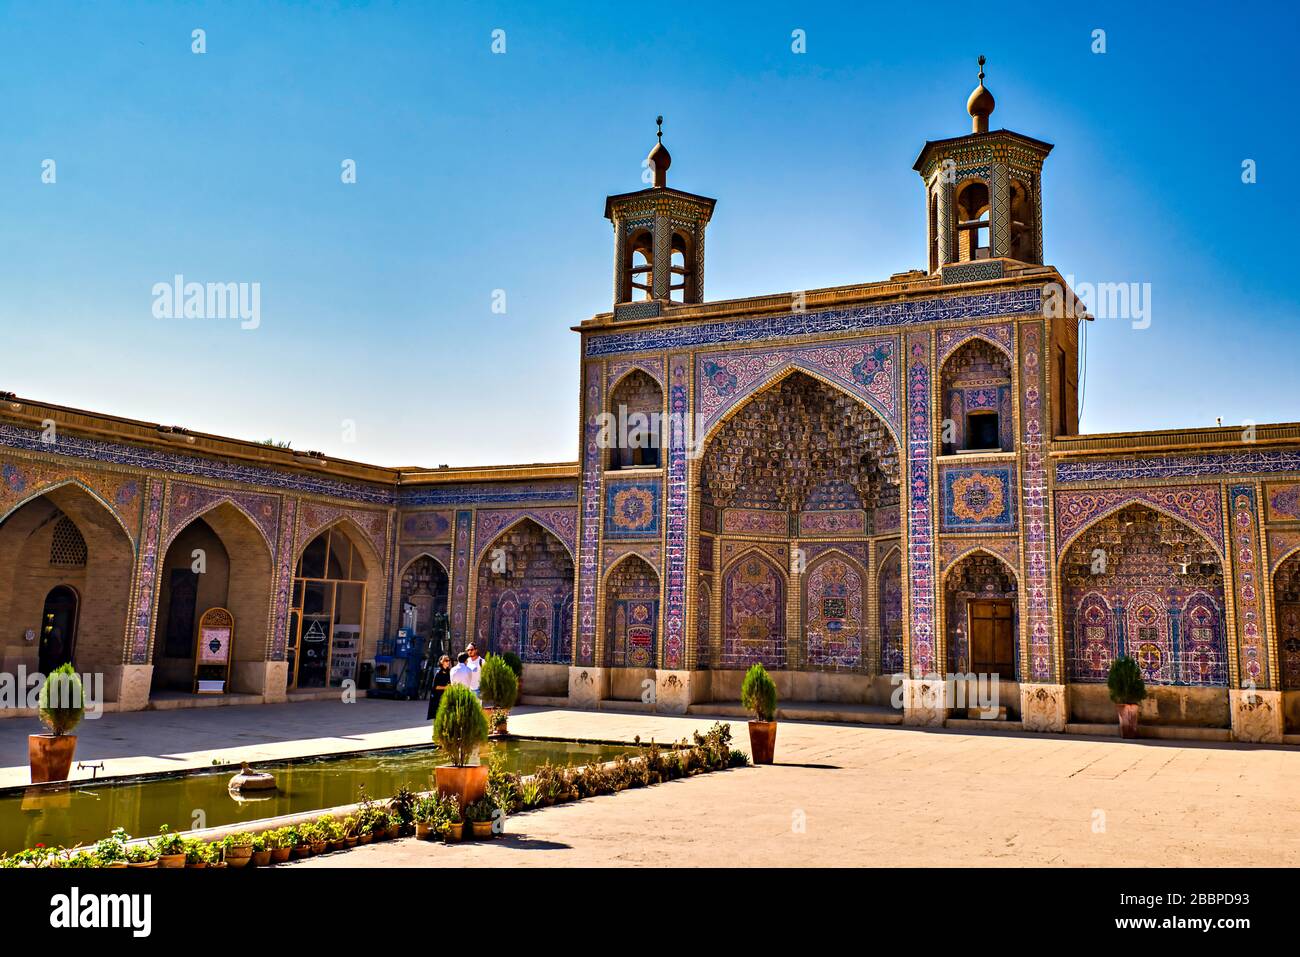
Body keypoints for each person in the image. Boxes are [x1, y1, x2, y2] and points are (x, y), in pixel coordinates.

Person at [426, 654, 452, 721]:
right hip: (439, 696)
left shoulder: (449, 672)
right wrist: (446, 687)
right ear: (442, 662)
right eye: (446, 660)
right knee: (438, 715)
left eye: (448, 660)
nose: (448, 662)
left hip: (447, 696)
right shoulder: (438, 673)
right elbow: (435, 687)